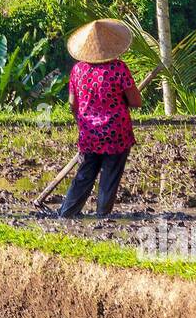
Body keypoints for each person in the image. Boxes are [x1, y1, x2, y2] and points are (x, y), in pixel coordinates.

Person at [57, 19, 142, 219]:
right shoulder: (118, 68)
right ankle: (103, 215)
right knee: (109, 176)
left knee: (84, 175)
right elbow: (136, 101)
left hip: (89, 133)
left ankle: (67, 212)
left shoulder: (78, 70)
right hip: (116, 133)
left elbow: (72, 103)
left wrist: (82, 122)